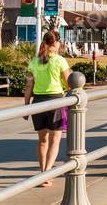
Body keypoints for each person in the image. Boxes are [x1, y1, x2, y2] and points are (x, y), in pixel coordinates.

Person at [24, 30, 71, 188]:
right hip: (55, 102)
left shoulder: (34, 61)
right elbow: (69, 82)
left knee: (42, 141)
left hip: (38, 102)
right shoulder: (60, 60)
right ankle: (47, 174)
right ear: (56, 43)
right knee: (55, 140)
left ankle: (42, 173)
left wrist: (26, 106)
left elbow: (29, 85)